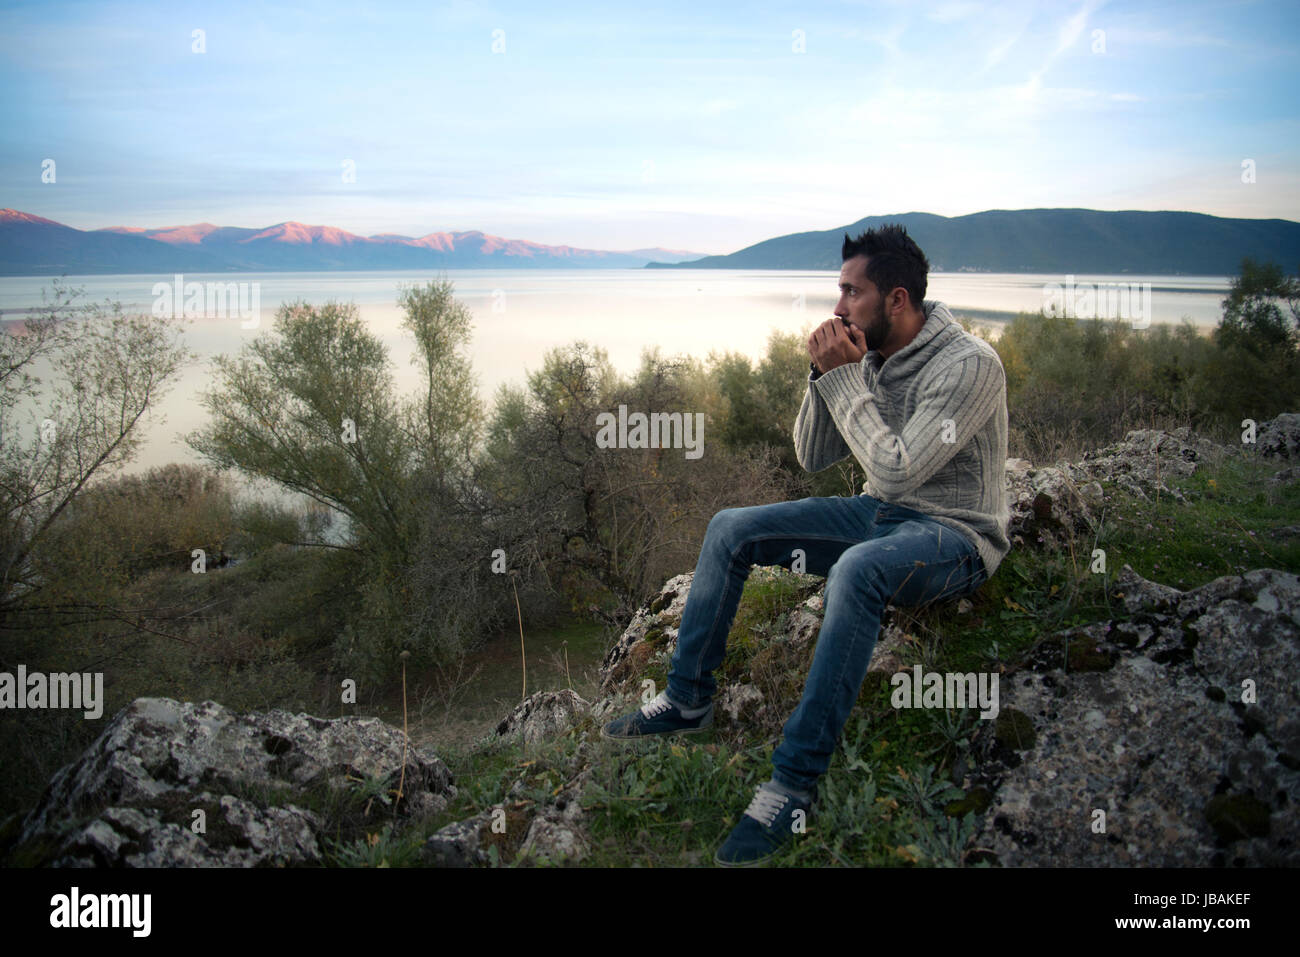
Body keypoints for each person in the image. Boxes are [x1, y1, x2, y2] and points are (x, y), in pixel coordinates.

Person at [602, 223, 1010, 866]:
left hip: (954, 534)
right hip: (883, 512)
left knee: (857, 572)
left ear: (896, 299)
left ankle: (792, 784)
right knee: (730, 527)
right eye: (838, 290)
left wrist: (846, 378)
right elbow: (813, 455)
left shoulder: (969, 365)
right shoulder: (866, 353)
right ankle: (687, 701)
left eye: (851, 292)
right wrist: (821, 376)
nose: (838, 306)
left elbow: (900, 468)